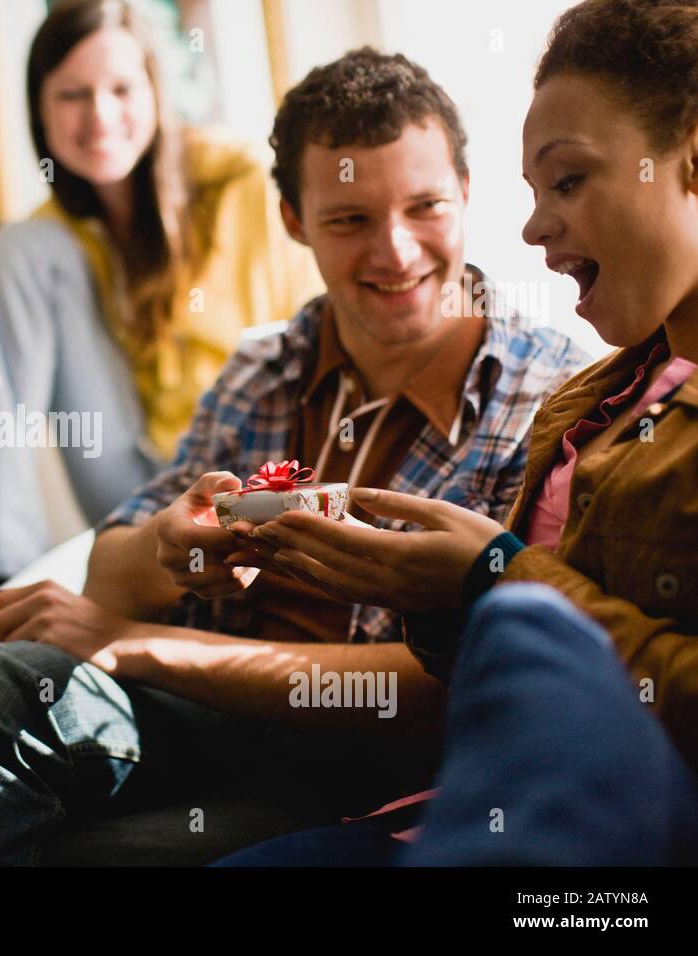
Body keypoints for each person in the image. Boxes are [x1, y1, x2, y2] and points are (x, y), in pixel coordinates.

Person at [0, 48, 591, 866]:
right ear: (291, 219)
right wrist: (172, 546)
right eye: (349, 220)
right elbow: (113, 577)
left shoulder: (546, 395)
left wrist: (143, 645)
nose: (395, 252)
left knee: (80, 850)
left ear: (465, 193)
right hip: (214, 729)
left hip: (376, 774)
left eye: (425, 207)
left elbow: (439, 689)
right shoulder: (265, 366)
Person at [217, 0, 698, 866]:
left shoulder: (536, 380)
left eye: (571, 180)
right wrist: (435, 596)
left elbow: (548, 655)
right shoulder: (593, 399)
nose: (534, 227)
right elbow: (499, 680)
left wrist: (491, 575)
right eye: (534, 191)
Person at [0, 0, 319, 657]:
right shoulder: (56, 237)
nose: (99, 115)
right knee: (22, 245)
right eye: (72, 95)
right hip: (130, 477)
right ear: (40, 113)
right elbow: (4, 397)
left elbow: (313, 326)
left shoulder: (242, 180)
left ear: (156, 93)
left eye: (121, 89)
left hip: (237, 465)